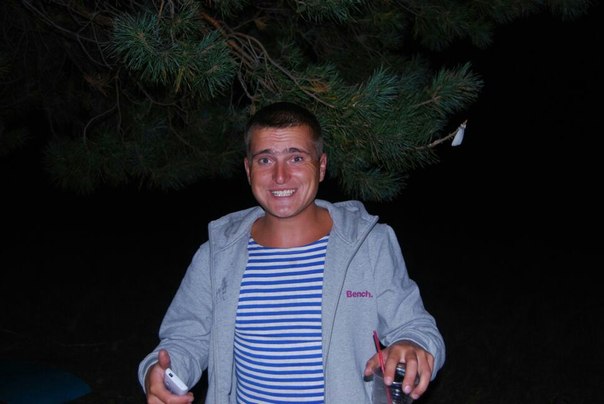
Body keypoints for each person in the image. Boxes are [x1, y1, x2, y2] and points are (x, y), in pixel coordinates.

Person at [138, 101, 445, 403]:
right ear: (248, 169)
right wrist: (161, 371)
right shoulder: (217, 255)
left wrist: (413, 346)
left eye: (296, 158)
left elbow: (416, 328)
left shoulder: (369, 245)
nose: (280, 176)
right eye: (265, 160)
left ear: (321, 166)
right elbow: (185, 338)